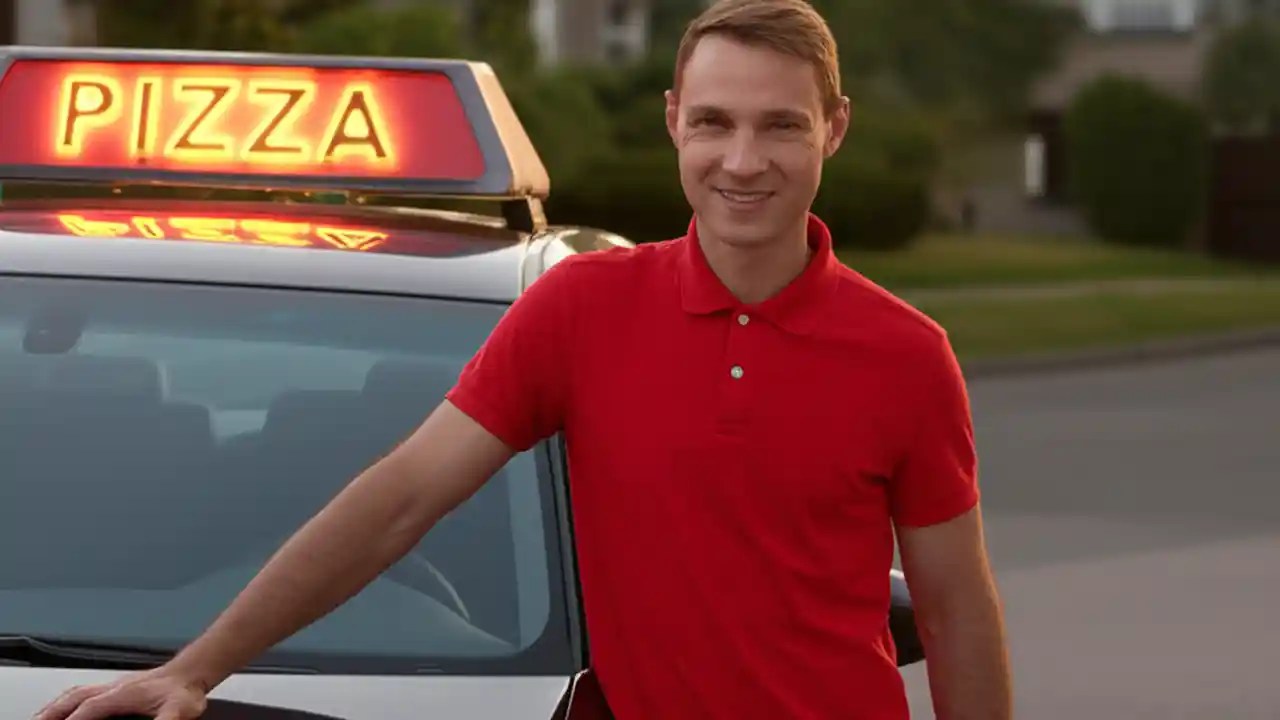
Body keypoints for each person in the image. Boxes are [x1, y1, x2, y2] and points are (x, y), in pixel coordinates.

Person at [35, 1, 1011, 718]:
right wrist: (196, 667)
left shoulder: (904, 357)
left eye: (780, 125)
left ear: (832, 128)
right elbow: (400, 499)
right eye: (713, 121)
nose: (741, 159)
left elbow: (953, 608)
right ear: (673, 118)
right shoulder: (580, 311)